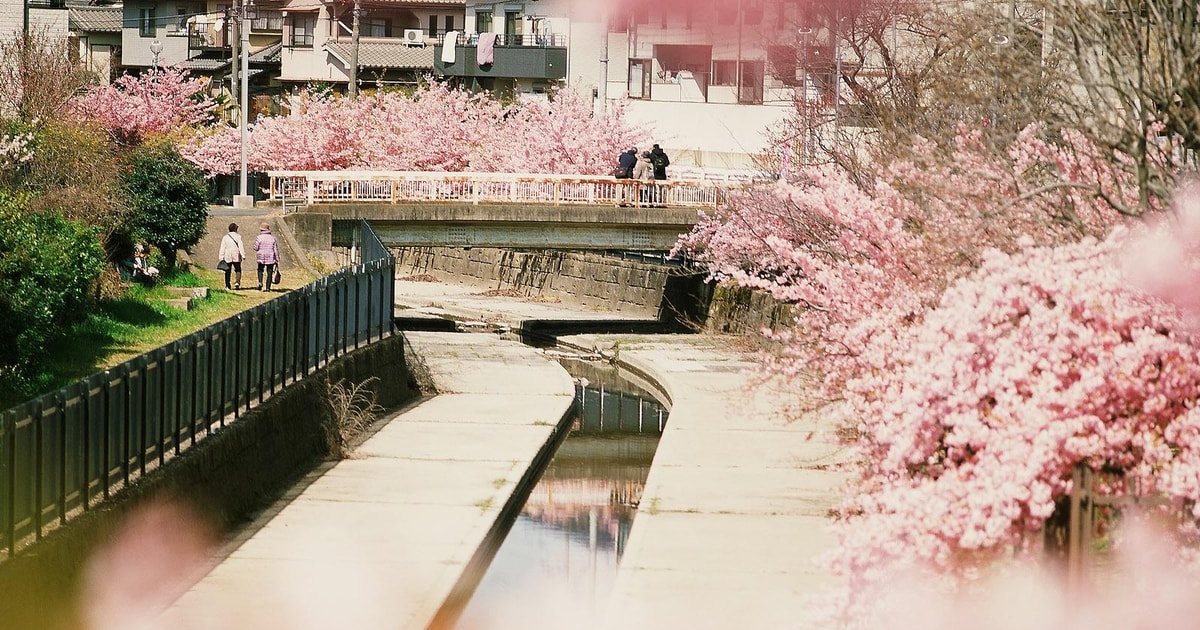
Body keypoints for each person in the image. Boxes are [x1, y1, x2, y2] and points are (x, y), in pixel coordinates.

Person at [253, 222, 281, 292]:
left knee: (260, 269)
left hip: (261, 256)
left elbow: (255, 248)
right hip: (270, 257)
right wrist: (277, 258)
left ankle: (260, 282)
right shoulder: (272, 238)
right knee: (270, 272)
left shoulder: (259, 238)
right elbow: (275, 249)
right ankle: (268, 287)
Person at [218, 222, 246, 290]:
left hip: (228, 255)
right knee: (238, 269)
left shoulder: (225, 237)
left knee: (227, 271)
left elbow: (222, 247)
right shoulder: (238, 237)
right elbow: (241, 246)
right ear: (236, 229)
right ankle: (237, 282)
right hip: (236, 255)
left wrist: (221, 257)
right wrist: (243, 255)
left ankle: (227, 285)